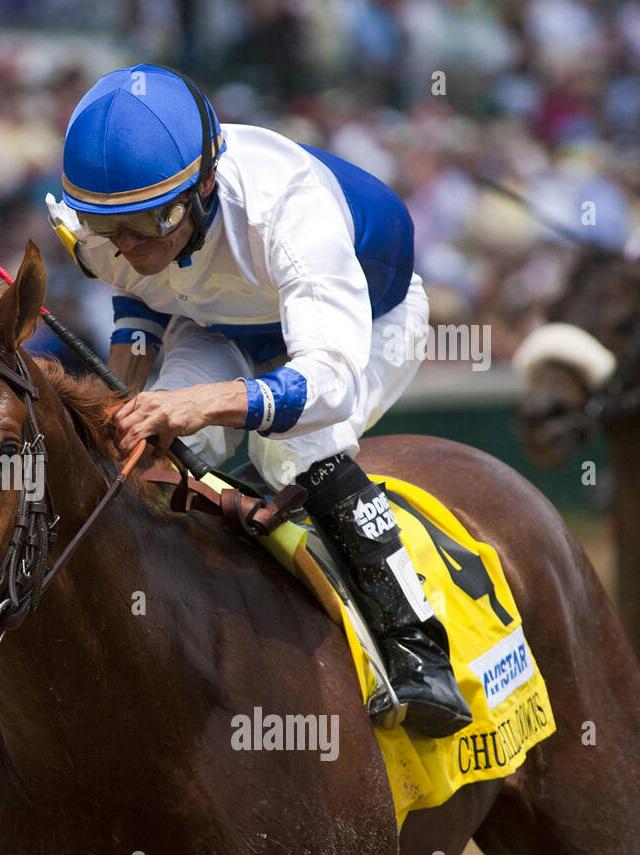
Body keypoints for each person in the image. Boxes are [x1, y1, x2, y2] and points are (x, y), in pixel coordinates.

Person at [48, 64, 469, 737]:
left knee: (292, 448)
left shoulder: (291, 209)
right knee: (148, 442)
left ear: (205, 183)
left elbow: (326, 383)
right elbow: (138, 284)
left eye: (150, 222)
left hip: (368, 316)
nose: (128, 247)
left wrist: (201, 403)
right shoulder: (115, 224)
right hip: (220, 320)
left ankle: (418, 647)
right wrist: (130, 381)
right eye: (108, 227)